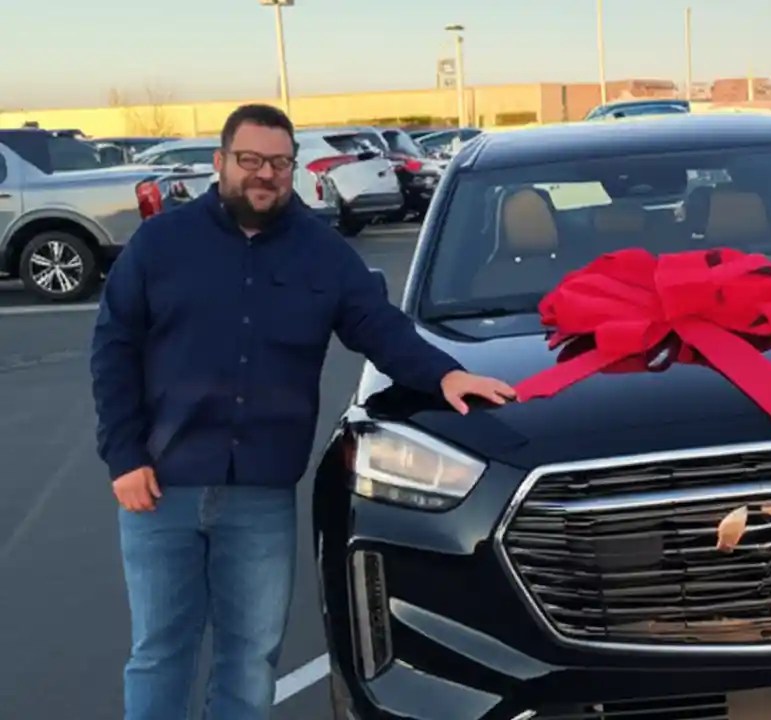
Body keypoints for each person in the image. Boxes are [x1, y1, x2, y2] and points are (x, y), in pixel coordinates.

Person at [90, 103, 515, 720]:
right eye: (251, 160)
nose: (265, 174)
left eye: (279, 163)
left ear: (294, 169)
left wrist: (445, 374)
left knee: (250, 655)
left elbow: (379, 327)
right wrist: (124, 457)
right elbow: (113, 350)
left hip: (259, 496)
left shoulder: (322, 253)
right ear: (221, 163)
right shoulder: (161, 244)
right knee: (161, 650)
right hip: (160, 487)